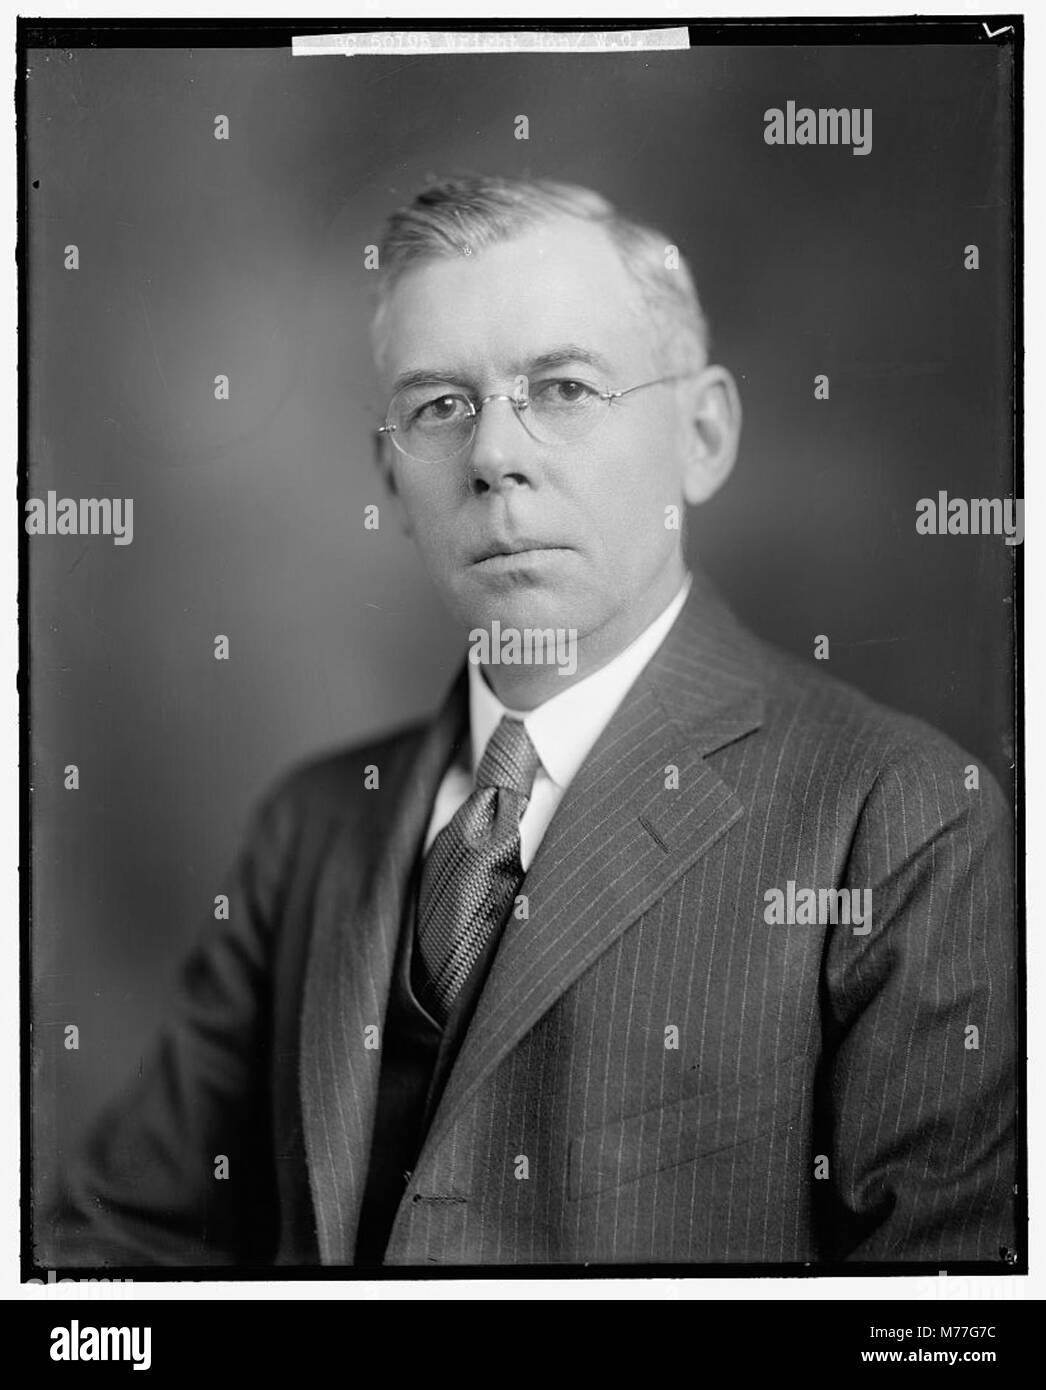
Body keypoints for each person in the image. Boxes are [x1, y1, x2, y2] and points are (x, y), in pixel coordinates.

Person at [47, 176, 1016, 1268]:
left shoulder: (899, 818)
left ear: (700, 436)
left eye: (560, 387)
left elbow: (942, 1323)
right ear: (388, 476)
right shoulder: (308, 829)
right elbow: (110, 1249)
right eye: (438, 407)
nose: (493, 456)